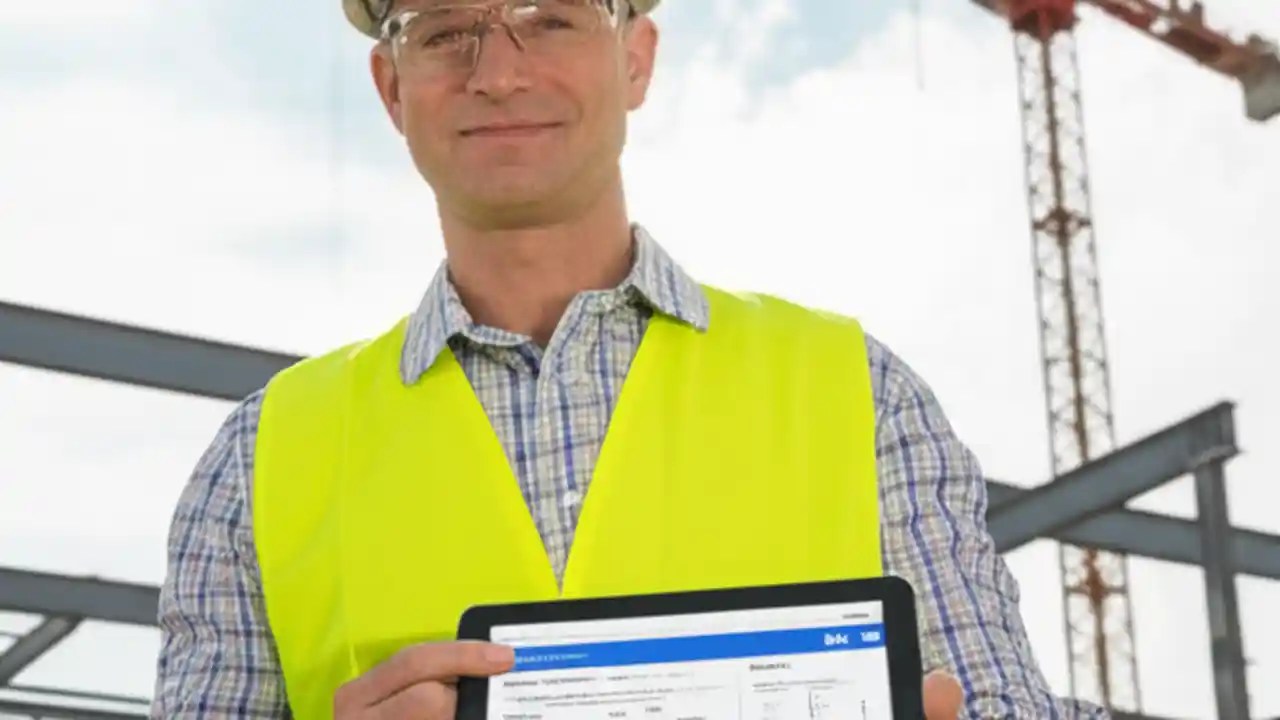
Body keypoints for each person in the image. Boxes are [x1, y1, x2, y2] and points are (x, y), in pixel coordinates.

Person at [152, 1, 1109, 718]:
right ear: (392, 86)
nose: (497, 71)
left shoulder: (860, 395)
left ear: (637, 57)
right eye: (445, 30)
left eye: (549, 17)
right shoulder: (261, 457)